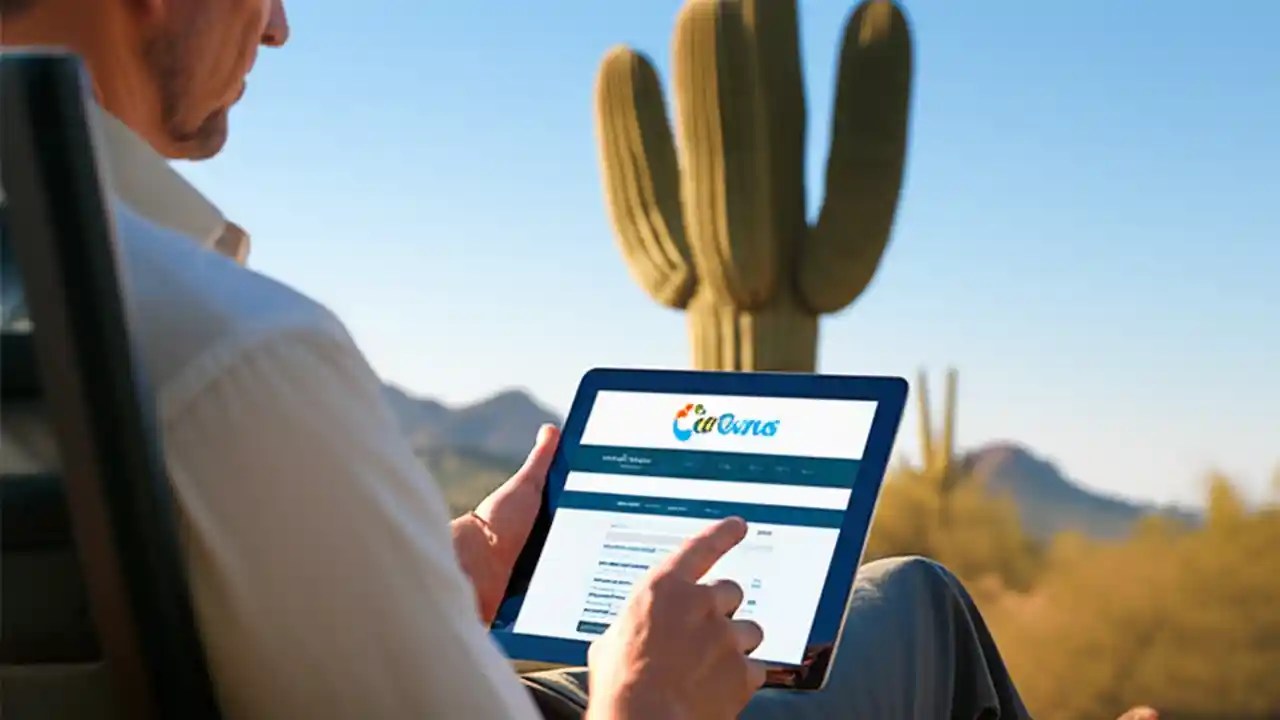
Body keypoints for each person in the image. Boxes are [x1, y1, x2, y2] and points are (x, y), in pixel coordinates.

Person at [0, 0, 1031, 718]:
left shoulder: (92, 326)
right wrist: (647, 705)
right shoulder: (236, 353)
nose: (276, 24)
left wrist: (408, 588)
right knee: (917, 611)